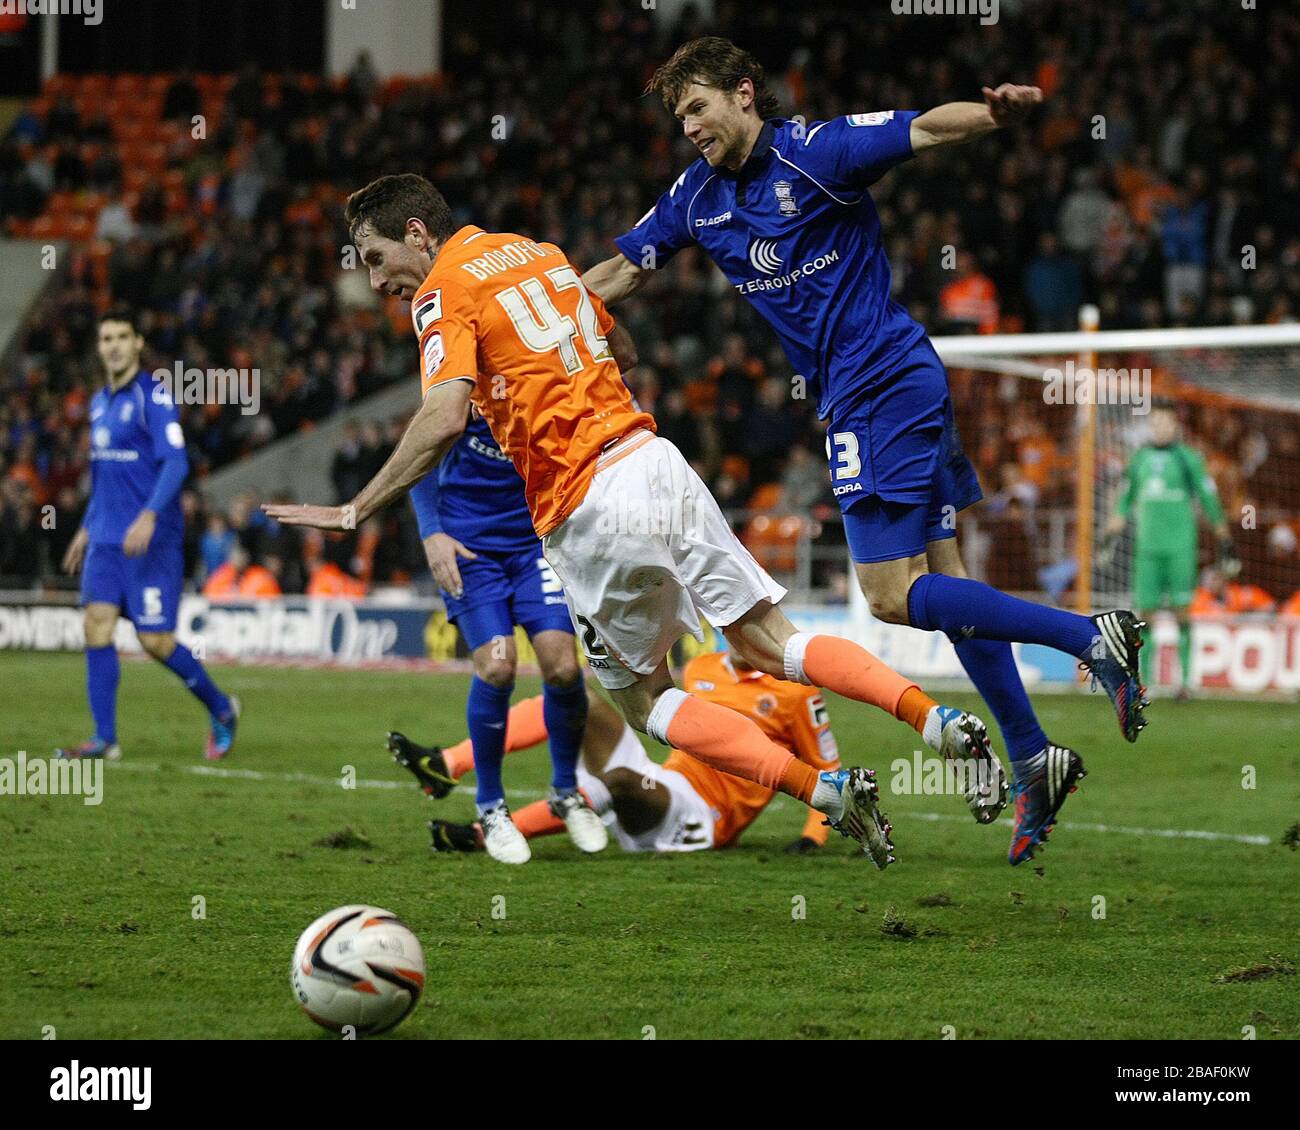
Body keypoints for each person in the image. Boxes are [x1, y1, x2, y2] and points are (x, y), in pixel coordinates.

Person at [265, 173, 1009, 872]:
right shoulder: (540, 255)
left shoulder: (440, 292)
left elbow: (443, 416)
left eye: (375, 257)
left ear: (417, 233)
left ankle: (825, 791)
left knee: (644, 700)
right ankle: (932, 718)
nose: (375, 281)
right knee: (769, 642)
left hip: (584, 504)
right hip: (653, 458)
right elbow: (619, 346)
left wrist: (357, 507)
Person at [580, 36, 1147, 864]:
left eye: (698, 107)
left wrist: (993, 116)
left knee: (888, 595)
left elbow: (926, 129)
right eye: (680, 117)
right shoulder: (695, 196)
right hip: (890, 384)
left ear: (744, 93)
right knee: (947, 582)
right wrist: (534, 309)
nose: (689, 127)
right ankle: (1032, 755)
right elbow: (622, 272)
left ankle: (1091, 637)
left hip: (879, 385)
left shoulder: (815, 152)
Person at [398, 412, 604, 865]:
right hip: (469, 548)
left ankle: (565, 792)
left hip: (537, 544)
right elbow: (419, 453)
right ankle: (491, 806)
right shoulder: (464, 385)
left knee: (563, 665)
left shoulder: (550, 384)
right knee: (497, 665)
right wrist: (431, 532)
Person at [393, 650, 845, 856]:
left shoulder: (797, 692)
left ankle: (480, 835)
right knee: (574, 697)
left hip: (704, 817)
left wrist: (813, 838)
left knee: (622, 782)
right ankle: (447, 764)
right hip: (667, 782)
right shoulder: (703, 667)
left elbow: (826, 767)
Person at [57, 307, 239, 761]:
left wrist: (150, 515)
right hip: (105, 539)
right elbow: (104, 477)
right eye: (106, 338)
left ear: (138, 343)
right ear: (99, 347)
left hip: (150, 541)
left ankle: (222, 708)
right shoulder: (99, 403)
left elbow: (176, 463)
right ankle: (105, 739)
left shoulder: (153, 397)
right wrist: (86, 527)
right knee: (96, 625)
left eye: (122, 337)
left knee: (154, 640)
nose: (114, 346)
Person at [1104, 402, 1236, 698]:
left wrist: (1225, 539)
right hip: (1147, 549)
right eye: (1156, 423)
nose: (1160, 428)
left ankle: (1185, 682)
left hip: (1180, 548)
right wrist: (1109, 535)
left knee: (1182, 612)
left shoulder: (1189, 459)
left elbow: (1209, 498)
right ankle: (1145, 682)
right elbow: (1124, 500)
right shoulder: (1139, 459)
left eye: (1166, 423)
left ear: (1176, 426)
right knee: (1145, 614)